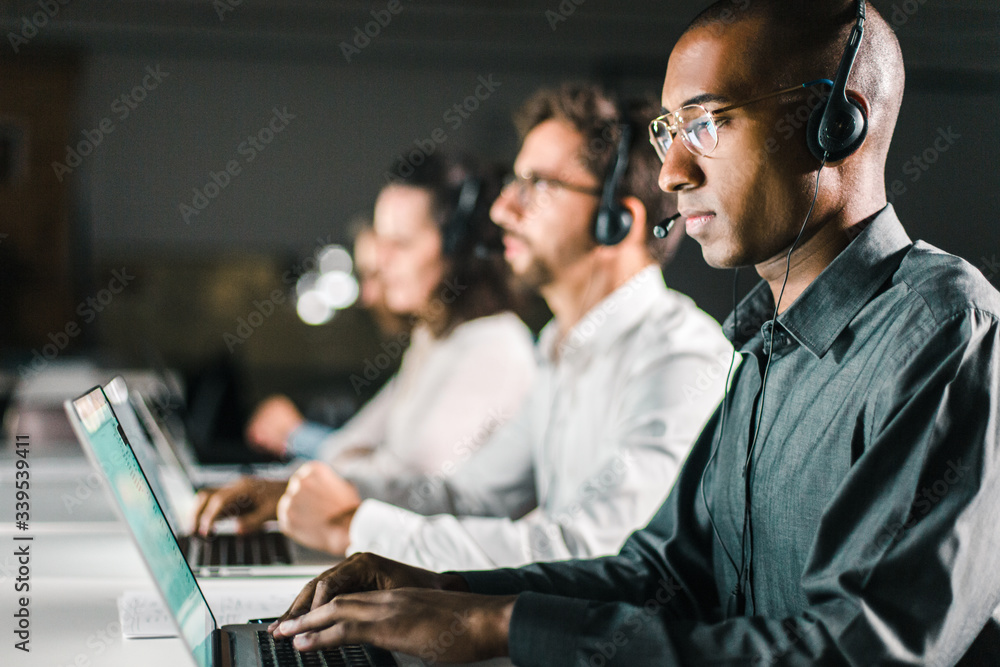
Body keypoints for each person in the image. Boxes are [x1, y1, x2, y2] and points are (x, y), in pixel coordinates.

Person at [267, 3, 1000, 664]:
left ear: (833, 123)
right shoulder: (769, 348)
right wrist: (451, 589)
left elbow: (863, 649)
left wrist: (503, 629)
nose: (673, 171)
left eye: (708, 124)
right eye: (669, 131)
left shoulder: (943, 331)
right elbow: (664, 573)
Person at [252, 83, 732, 570]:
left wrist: (352, 525)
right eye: (514, 184)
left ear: (616, 221)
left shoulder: (679, 357)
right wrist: (310, 497)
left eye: (539, 186)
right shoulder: (559, 347)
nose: (503, 210)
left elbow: (592, 550)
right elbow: (469, 498)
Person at [192, 154, 537, 538]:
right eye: (380, 238)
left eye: (400, 244)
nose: (379, 260)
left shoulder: (494, 347)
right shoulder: (434, 339)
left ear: (462, 252)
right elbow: (344, 450)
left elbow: (413, 485)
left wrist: (288, 488)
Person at [244, 221, 411, 460]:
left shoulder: (447, 353)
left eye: (376, 275)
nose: (366, 297)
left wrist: (294, 434)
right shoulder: (421, 355)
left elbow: (385, 470)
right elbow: (355, 445)